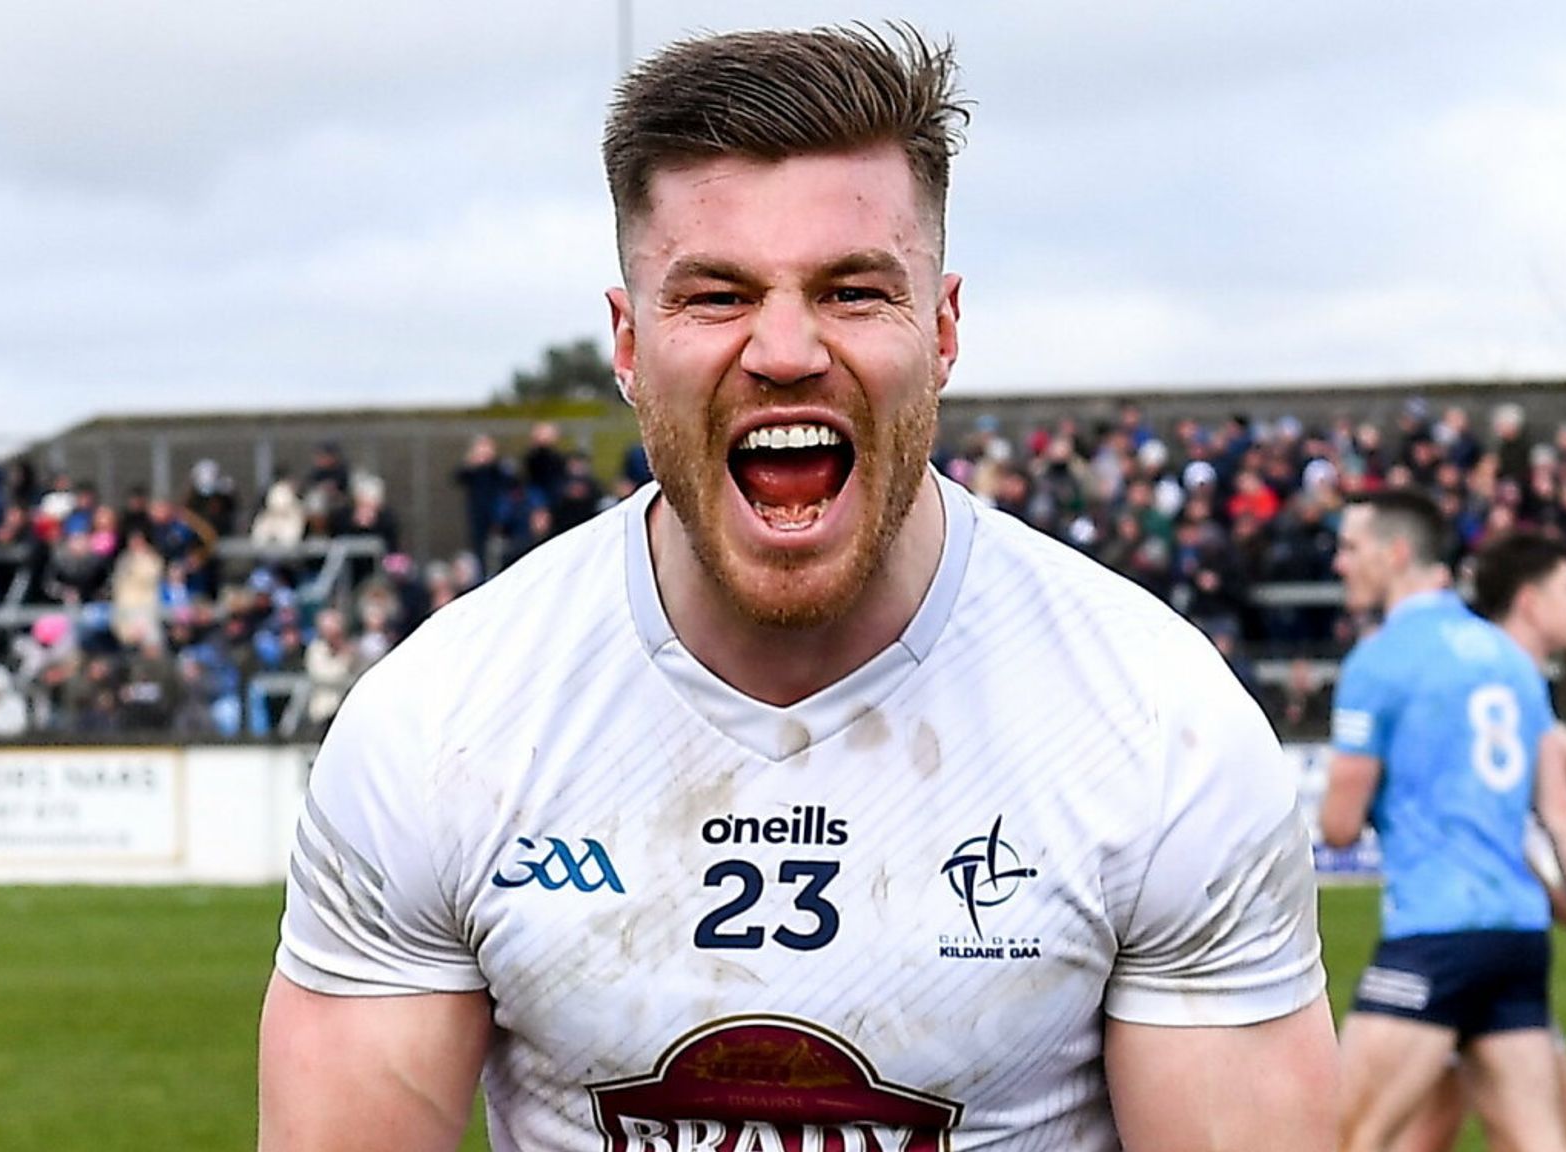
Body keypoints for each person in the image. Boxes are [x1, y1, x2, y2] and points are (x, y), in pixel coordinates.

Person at [259, 24, 1335, 1152]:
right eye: (716, 295)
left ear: (942, 330)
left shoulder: (1159, 730)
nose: (784, 350)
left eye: (853, 291)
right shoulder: (439, 727)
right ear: (627, 344)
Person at [1320, 491, 1566, 1152]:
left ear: (1396, 554)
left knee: (1345, 1139)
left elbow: (1339, 826)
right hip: (1517, 938)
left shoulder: (1379, 661)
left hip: (1434, 936)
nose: (1340, 563)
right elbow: (1559, 816)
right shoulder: (1509, 660)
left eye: (1351, 548)